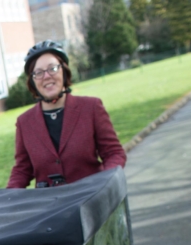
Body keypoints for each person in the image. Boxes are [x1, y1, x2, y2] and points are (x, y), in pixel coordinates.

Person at [7, 41, 127, 189]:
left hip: (91, 199)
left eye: (52, 68)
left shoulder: (91, 108)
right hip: (50, 207)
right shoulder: (24, 122)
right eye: (38, 72)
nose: (46, 76)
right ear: (32, 81)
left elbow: (113, 153)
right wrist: (8, 198)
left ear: (64, 71)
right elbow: (22, 170)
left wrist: (105, 183)